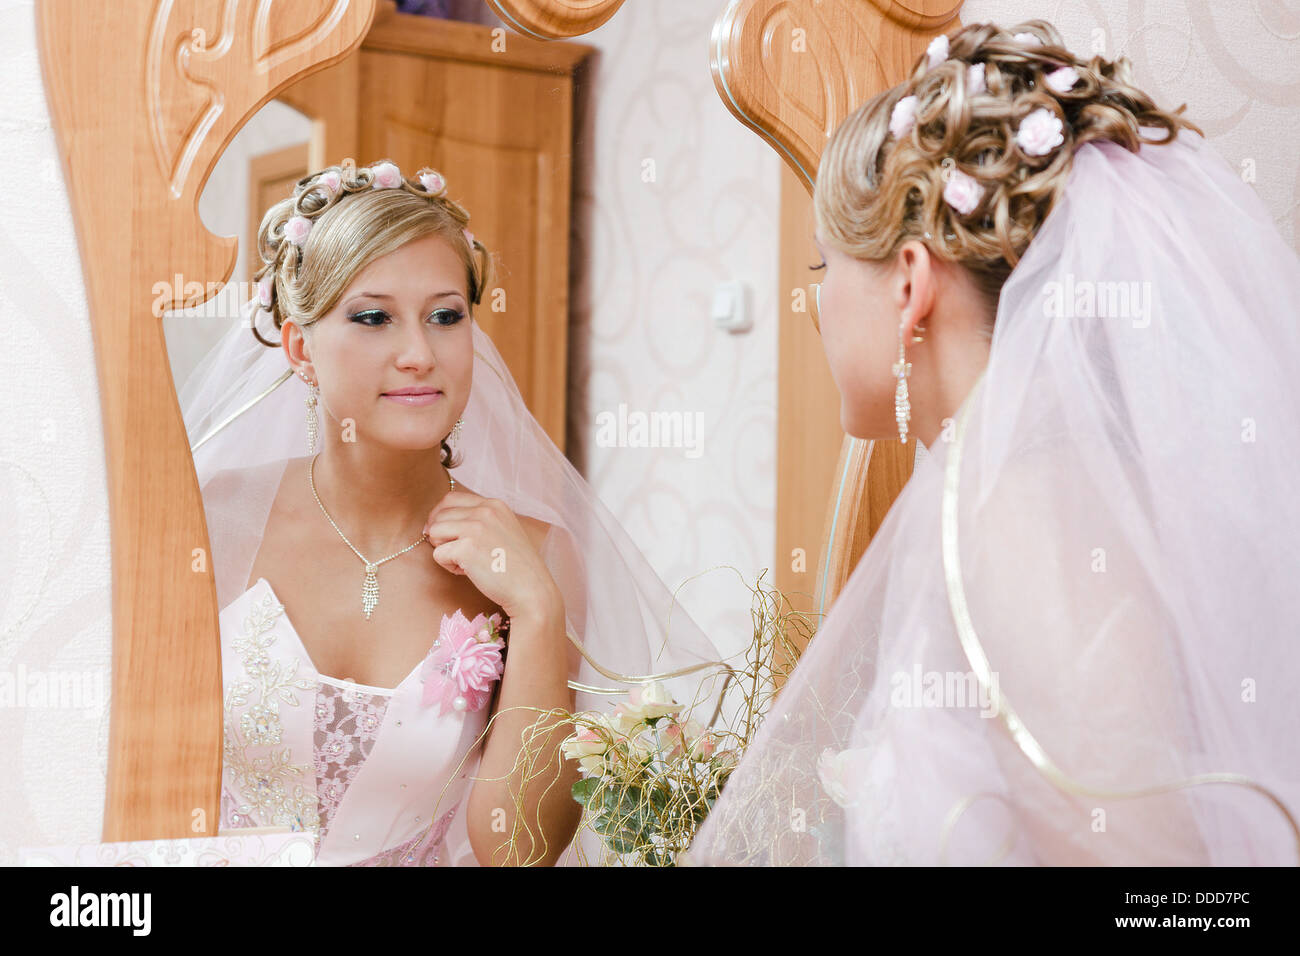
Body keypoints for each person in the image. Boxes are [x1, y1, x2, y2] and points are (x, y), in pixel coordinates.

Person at [686, 20, 1300, 866]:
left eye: (825, 269)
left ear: (907, 284)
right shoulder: (1021, 484)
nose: (818, 306)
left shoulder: (1018, 516)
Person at [180, 159, 727, 866]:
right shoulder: (209, 520)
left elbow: (519, 854)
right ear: (299, 347)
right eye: (373, 318)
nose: (418, 354)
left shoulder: (536, 554)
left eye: (445, 316)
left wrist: (534, 608)